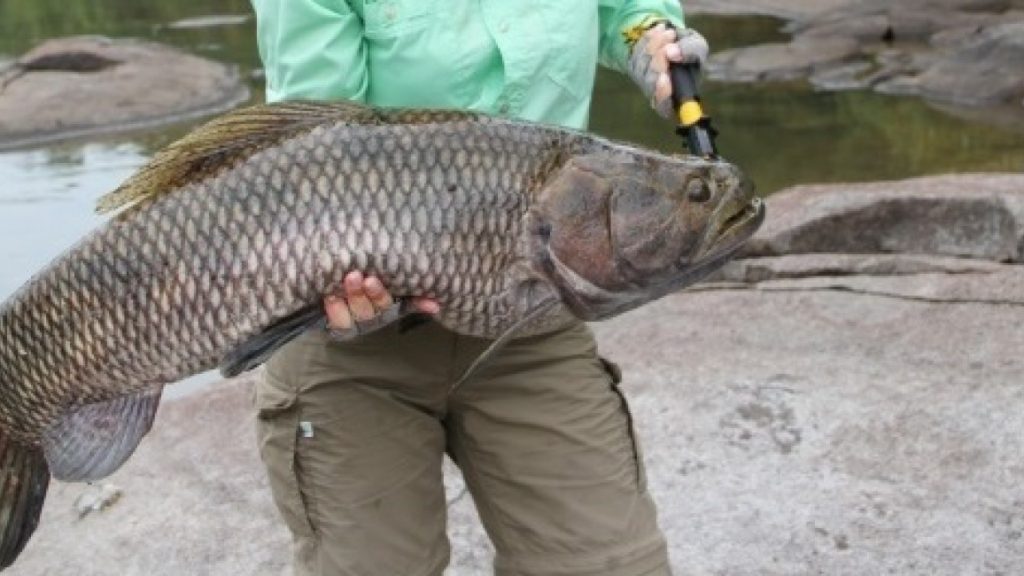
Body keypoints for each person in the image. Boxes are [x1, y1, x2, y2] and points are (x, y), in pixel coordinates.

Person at [249, 2, 708, 575]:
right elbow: (314, 148)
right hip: (351, 353)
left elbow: (628, 11)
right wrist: (337, 282)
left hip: (531, 326)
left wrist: (648, 44)